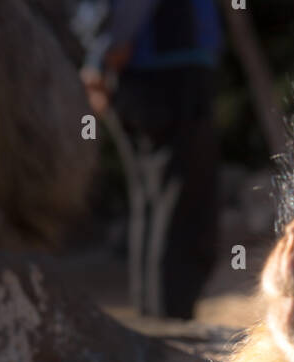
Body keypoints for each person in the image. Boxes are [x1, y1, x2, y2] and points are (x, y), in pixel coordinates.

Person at [83, 0, 223, 319]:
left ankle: (153, 312)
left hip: (144, 75)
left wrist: (100, 59)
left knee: (153, 198)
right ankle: (168, 316)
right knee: (179, 201)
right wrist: (106, 52)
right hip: (169, 72)